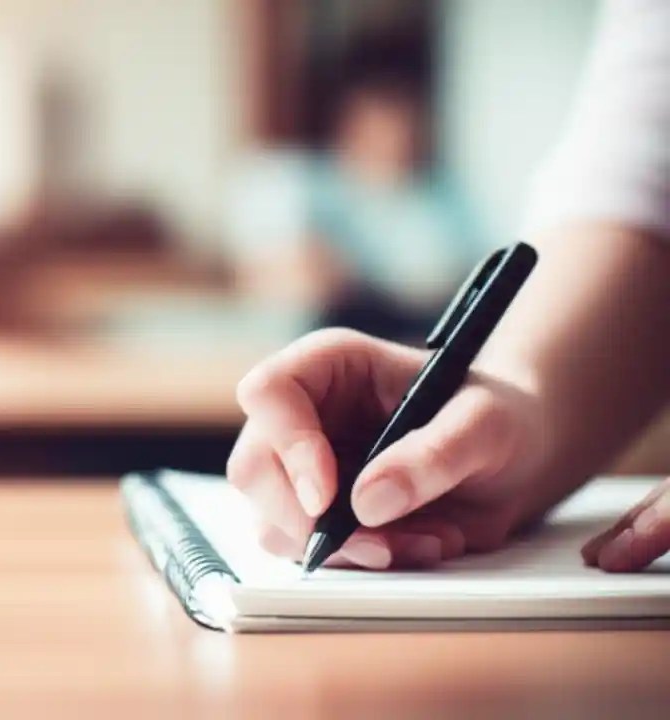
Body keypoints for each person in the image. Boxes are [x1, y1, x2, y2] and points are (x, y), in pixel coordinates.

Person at [227, 0, 670, 573]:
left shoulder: (442, 200)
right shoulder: (299, 184)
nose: (403, 132)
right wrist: (519, 412)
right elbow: (640, 190)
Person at [228, 41, 483, 342]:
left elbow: (454, 280)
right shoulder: (294, 181)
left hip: (412, 334)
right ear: (349, 122)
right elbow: (292, 277)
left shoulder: (441, 198)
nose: (398, 136)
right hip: (313, 335)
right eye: (383, 118)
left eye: (407, 121)